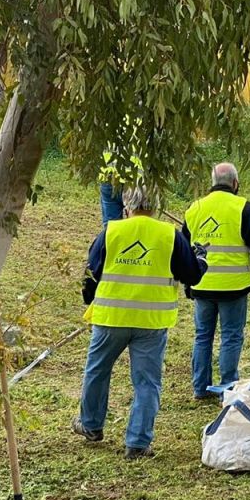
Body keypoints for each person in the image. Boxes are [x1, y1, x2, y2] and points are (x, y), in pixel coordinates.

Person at [73, 186, 208, 459]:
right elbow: (192, 276)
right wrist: (201, 259)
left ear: (126, 204)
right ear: (156, 205)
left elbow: (90, 273)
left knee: (97, 371)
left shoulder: (111, 231)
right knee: (147, 382)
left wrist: (89, 299)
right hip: (151, 321)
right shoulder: (169, 235)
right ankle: (137, 442)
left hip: (111, 318)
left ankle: (90, 425)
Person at [183, 163, 250, 401]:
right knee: (231, 336)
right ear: (235, 183)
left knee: (203, 335)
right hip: (233, 286)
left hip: (202, 285)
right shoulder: (243, 208)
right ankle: (227, 387)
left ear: (212, 182)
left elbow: (183, 250)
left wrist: (187, 283)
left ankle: (200, 388)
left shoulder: (195, 208)